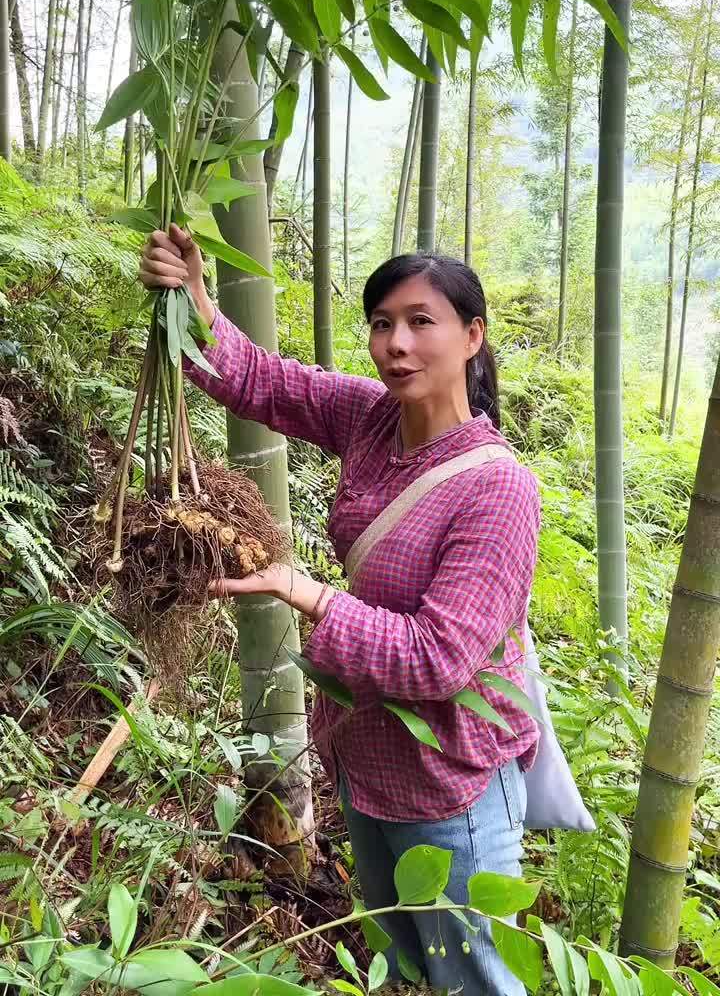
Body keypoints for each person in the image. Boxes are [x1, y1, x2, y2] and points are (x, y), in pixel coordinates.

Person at [139, 226, 541, 995]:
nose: (397, 343)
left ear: (472, 335)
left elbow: (438, 659)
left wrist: (306, 591)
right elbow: (257, 379)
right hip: (364, 756)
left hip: (449, 776)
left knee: (478, 978)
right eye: (383, 322)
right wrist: (191, 292)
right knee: (414, 963)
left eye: (423, 321)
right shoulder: (370, 419)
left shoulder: (498, 488)